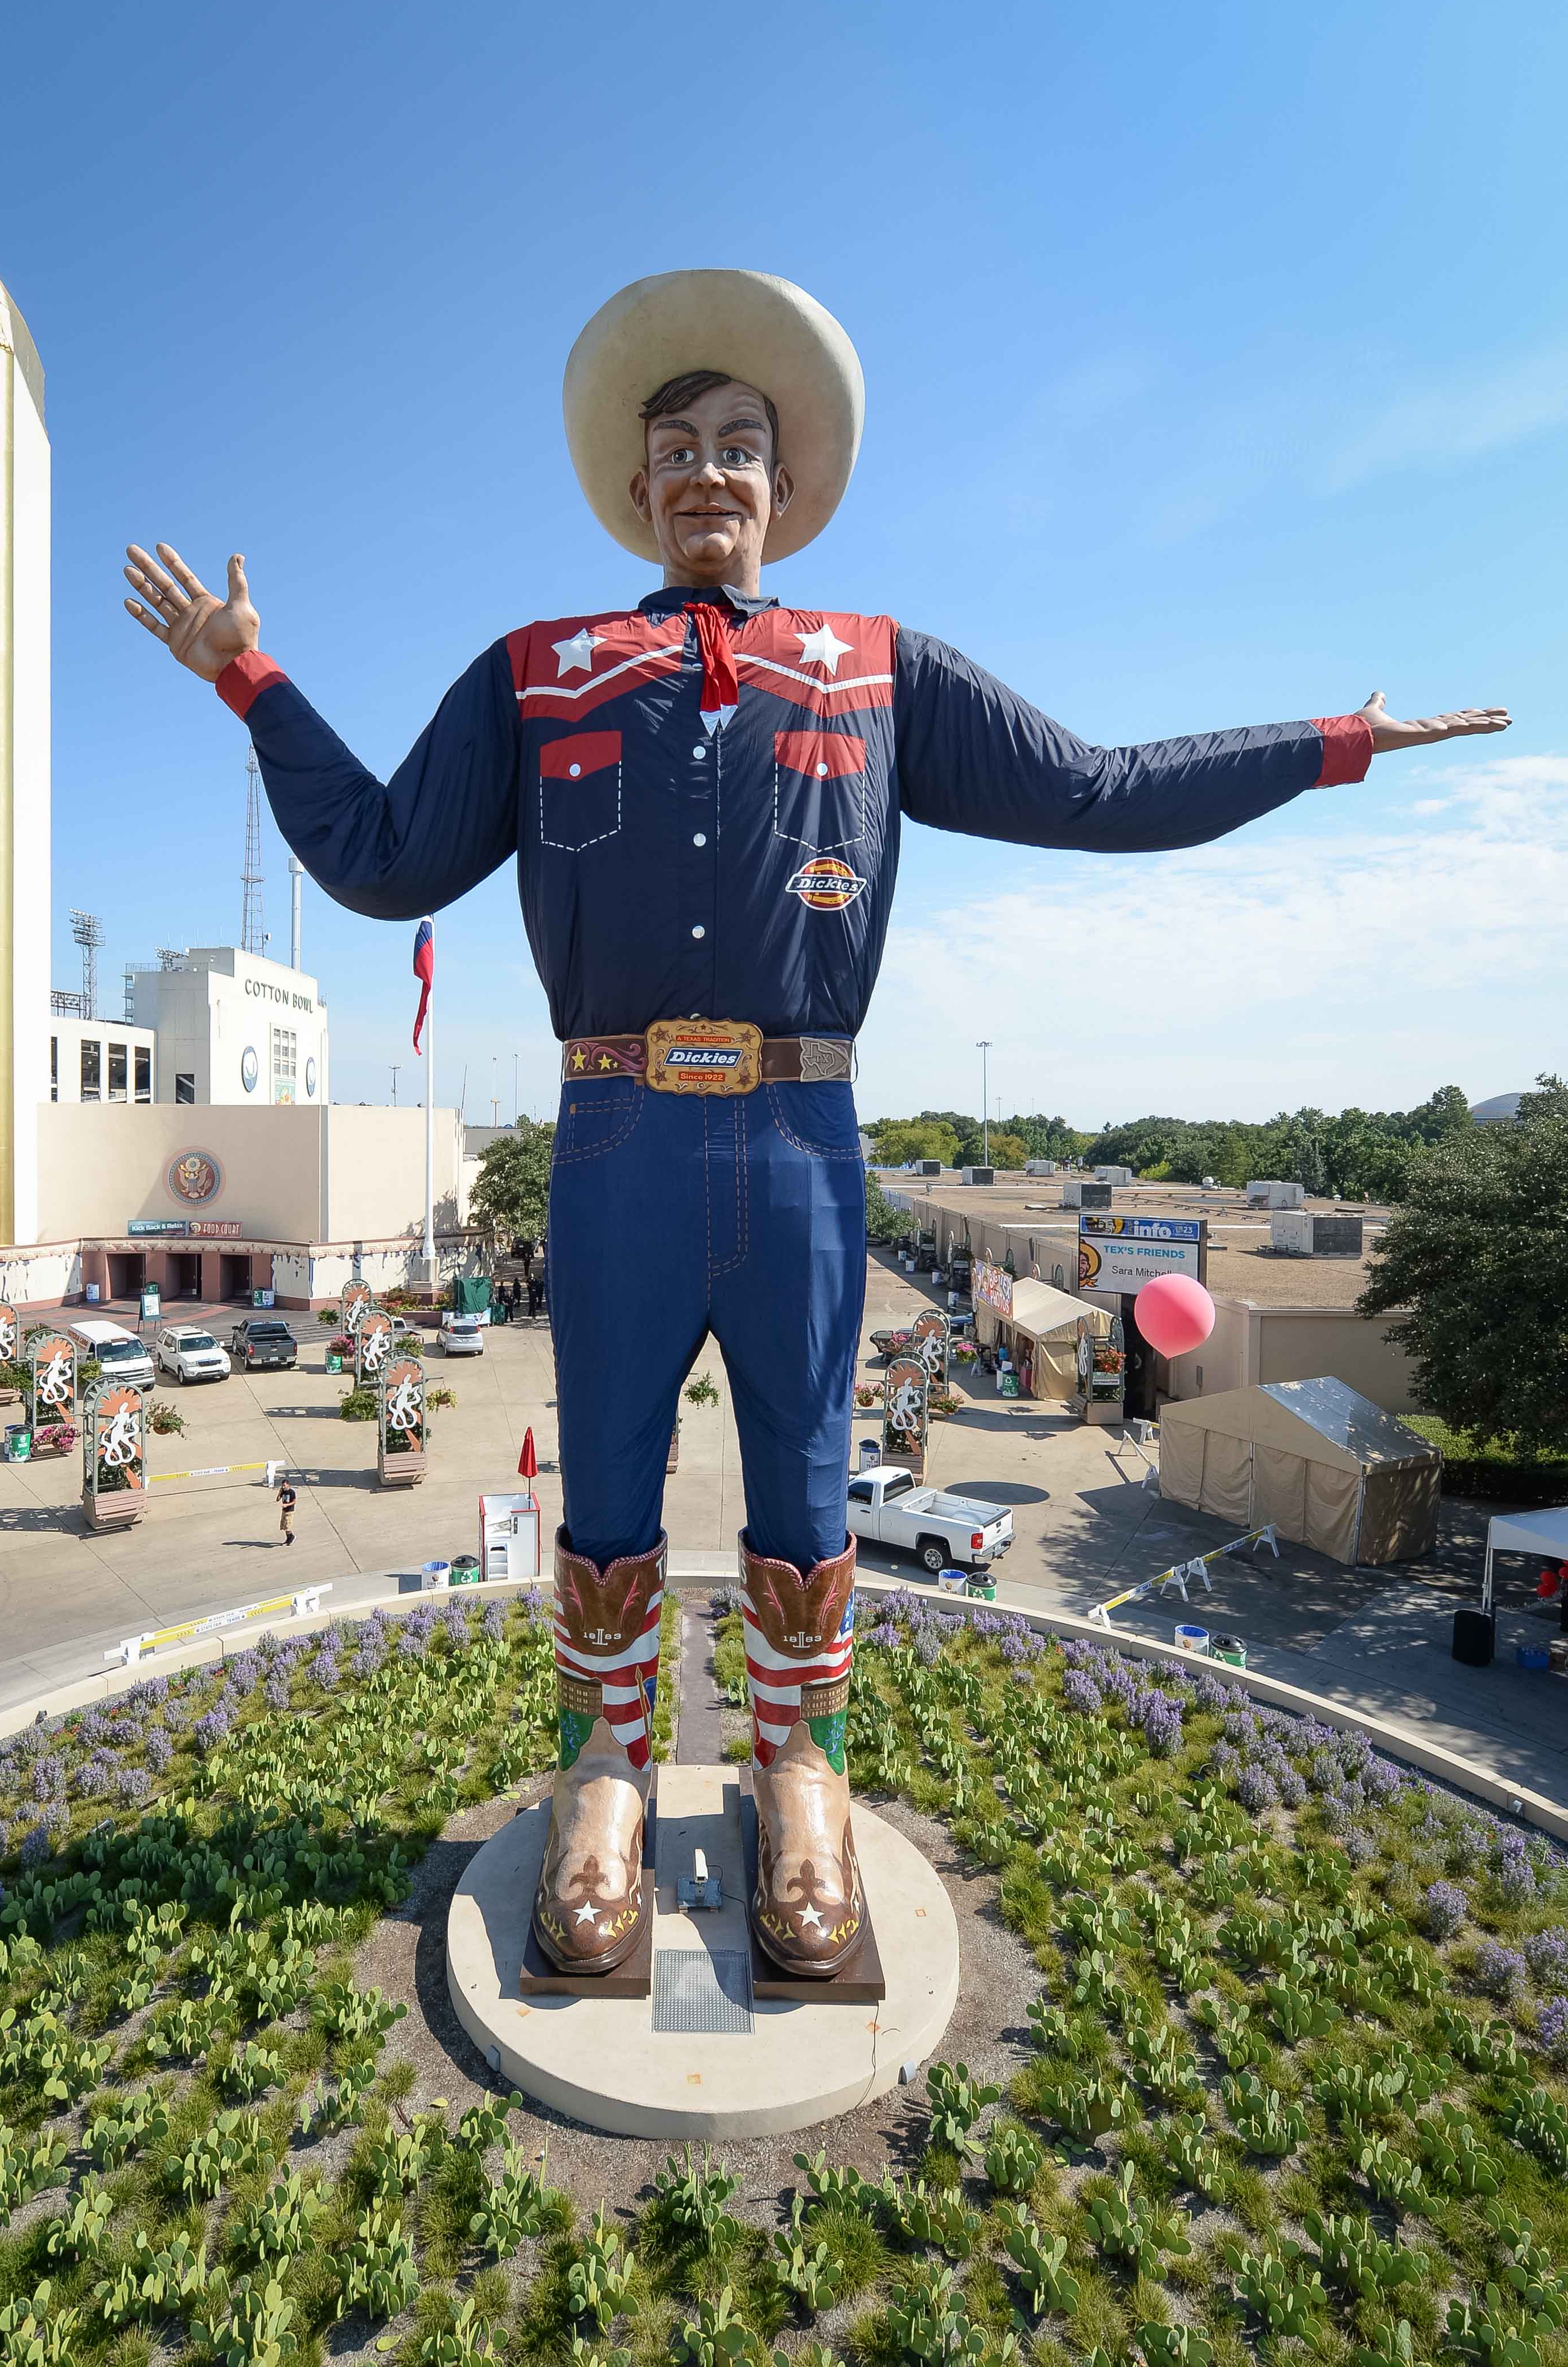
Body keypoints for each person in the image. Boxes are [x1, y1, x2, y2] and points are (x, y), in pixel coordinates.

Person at [123, 267, 1507, 1979]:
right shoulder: (540, 670)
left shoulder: (876, 670)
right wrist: (247, 675)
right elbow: (386, 854)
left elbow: (1091, 789)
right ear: (635, 489)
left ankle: (802, 1777)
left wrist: (1327, 742)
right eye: (678, 450)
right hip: (614, 1140)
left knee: (798, 1486)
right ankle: (605, 1780)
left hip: (798, 1147)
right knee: (608, 1490)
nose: (708, 475)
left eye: (740, 447)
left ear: (786, 487)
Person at [276, 1477, 296, 1547]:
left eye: (284, 1485)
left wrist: (287, 1505)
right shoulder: (283, 1491)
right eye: (282, 1486)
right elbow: (278, 1500)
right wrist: (280, 1493)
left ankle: (291, 1537)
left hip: (290, 1511)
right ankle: (288, 1539)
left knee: (288, 1526)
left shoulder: (292, 1492)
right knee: (284, 1526)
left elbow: (294, 1502)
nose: (283, 1487)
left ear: (288, 1485)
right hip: (284, 1511)